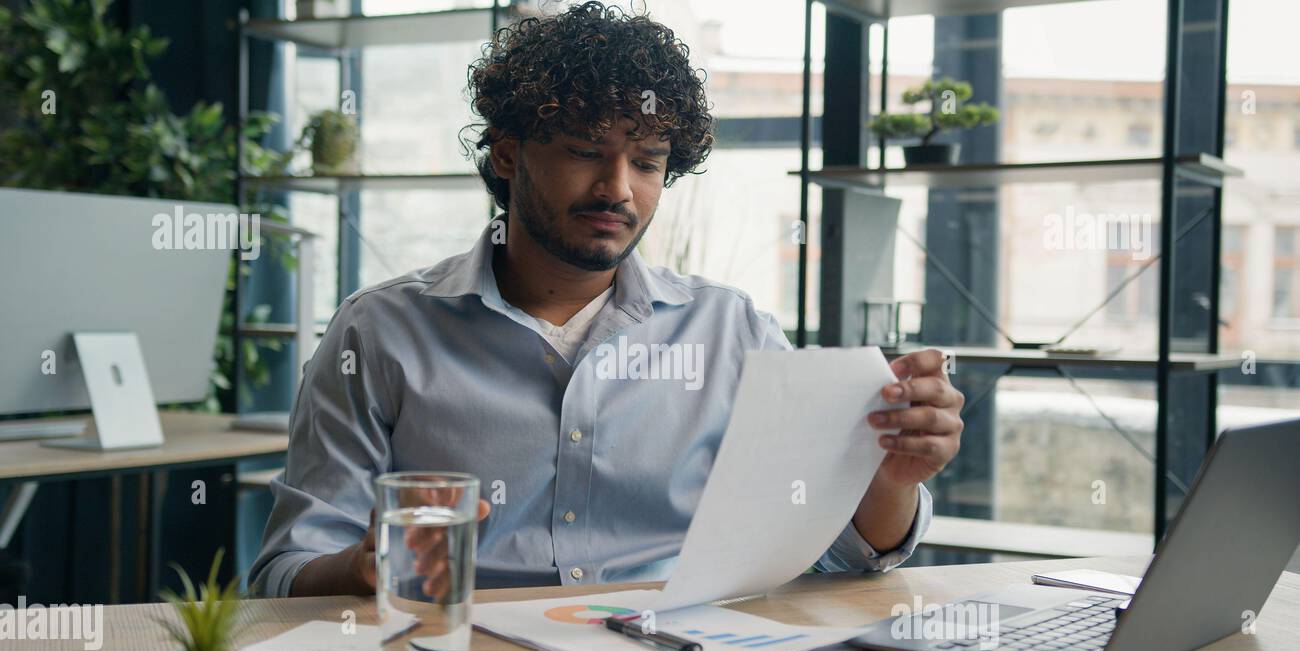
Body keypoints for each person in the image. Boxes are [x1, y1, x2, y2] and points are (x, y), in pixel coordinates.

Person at [248, 1, 964, 598]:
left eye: (647, 162)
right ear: (507, 152)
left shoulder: (730, 331)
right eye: (587, 152)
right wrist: (368, 567)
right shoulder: (380, 334)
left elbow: (843, 551)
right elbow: (284, 570)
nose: (618, 189)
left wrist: (892, 478)